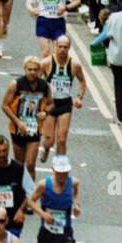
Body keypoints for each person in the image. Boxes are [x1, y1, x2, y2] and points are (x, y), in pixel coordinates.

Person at [38, 35, 86, 163]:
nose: (62, 50)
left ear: (69, 48)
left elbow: (82, 81)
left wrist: (79, 97)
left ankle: (60, 164)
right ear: (55, 47)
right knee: (49, 140)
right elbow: (35, 82)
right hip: (49, 104)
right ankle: (46, 148)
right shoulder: (46, 63)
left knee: (61, 139)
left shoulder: (74, 65)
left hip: (65, 104)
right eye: (60, 47)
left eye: (65, 47)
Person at [2, 57, 49, 177]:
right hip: (17, 129)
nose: (32, 72)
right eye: (29, 69)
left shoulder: (44, 86)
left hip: (35, 129)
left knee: (30, 164)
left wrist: (45, 112)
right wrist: (18, 122)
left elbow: (51, 104)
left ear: (39, 71)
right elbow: (5, 106)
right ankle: (19, 192)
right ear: (24, 69)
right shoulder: (16, 84)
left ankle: (31, 194)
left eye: (35, 70)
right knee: (19, 165)